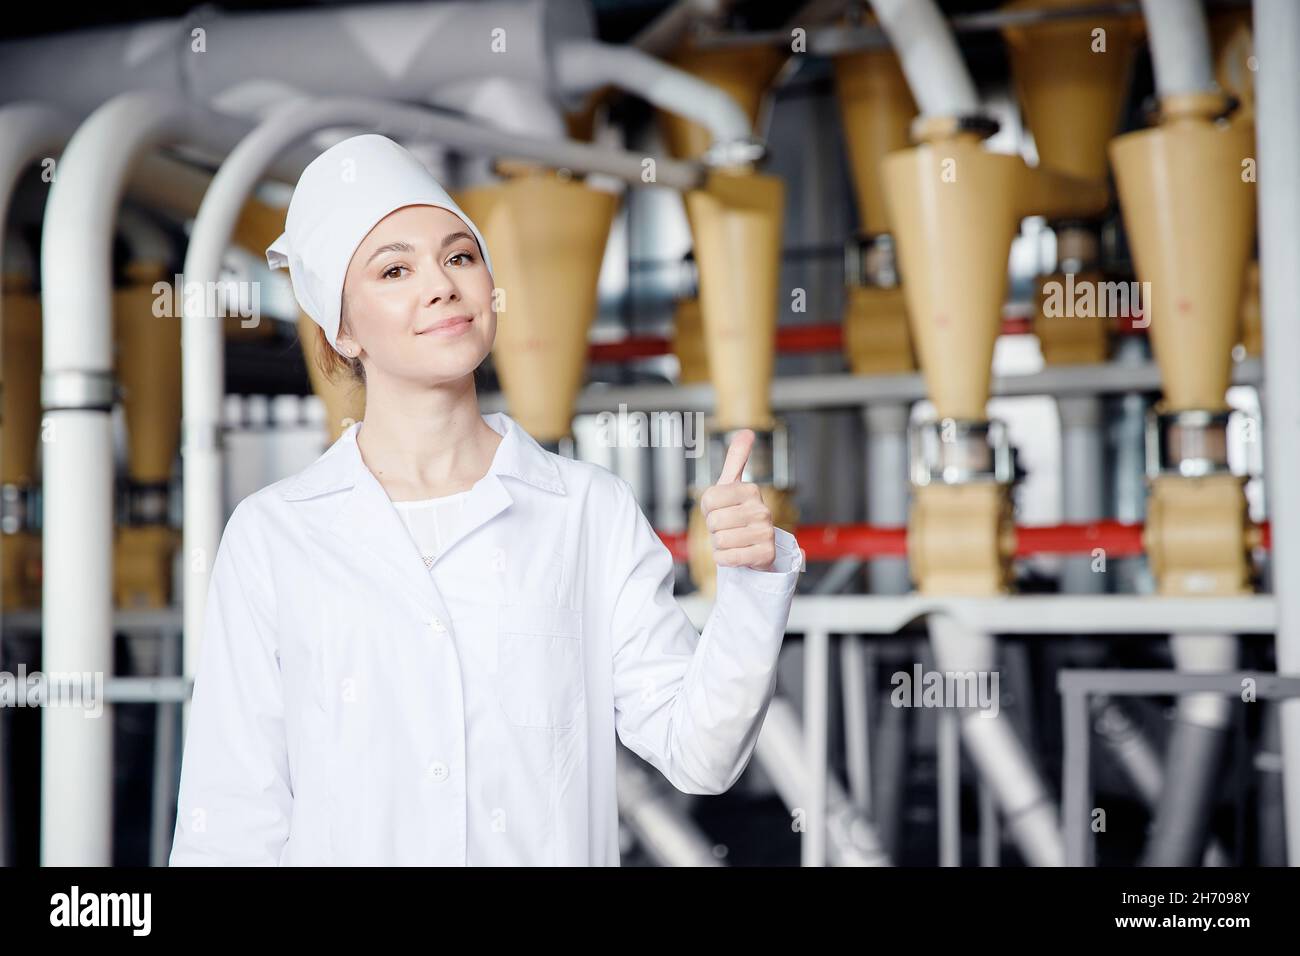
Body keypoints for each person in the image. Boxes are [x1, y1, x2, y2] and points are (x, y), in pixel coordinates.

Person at [169, 134, 804, 866]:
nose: (441, 284)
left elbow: (701, 755)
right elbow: (231, 821)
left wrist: (750, 583)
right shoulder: (277, 536)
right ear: (342, 330)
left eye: (459, 256)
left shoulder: (585, 512)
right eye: (395, 269)